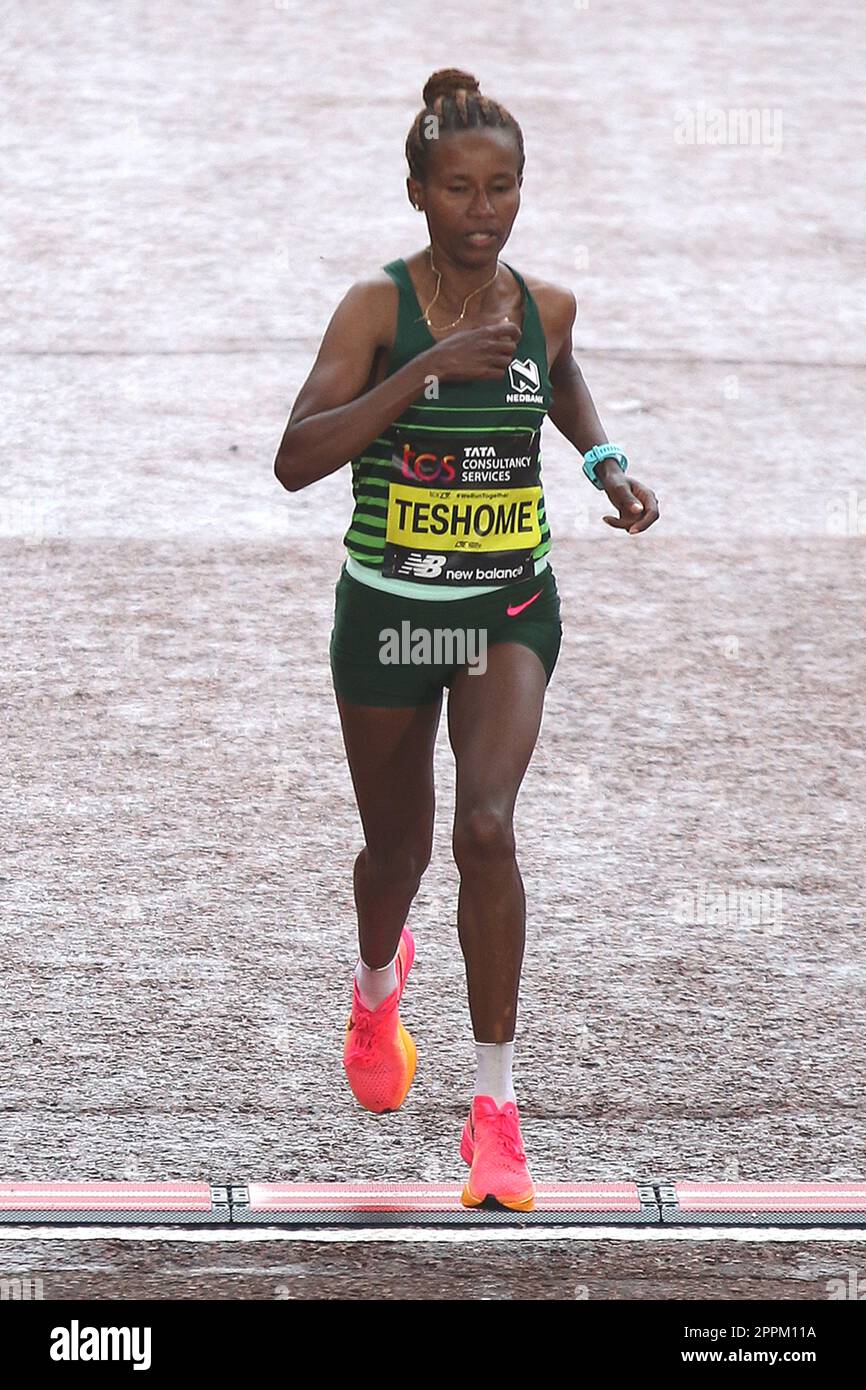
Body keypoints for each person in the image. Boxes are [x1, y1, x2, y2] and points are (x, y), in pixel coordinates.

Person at [273, 67, 659, 1212]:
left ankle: (494, 1111)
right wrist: (428, 369)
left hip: (504, 612)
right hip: (391, 617)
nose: (480, 211)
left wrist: (603, 461)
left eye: (501, 189)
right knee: (396, 853)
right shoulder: (374, 310)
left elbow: (560, 375)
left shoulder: (544, 306)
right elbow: (296, 456)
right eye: (457, 189)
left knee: (486, 828)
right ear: (416, 192)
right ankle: (376, 984)